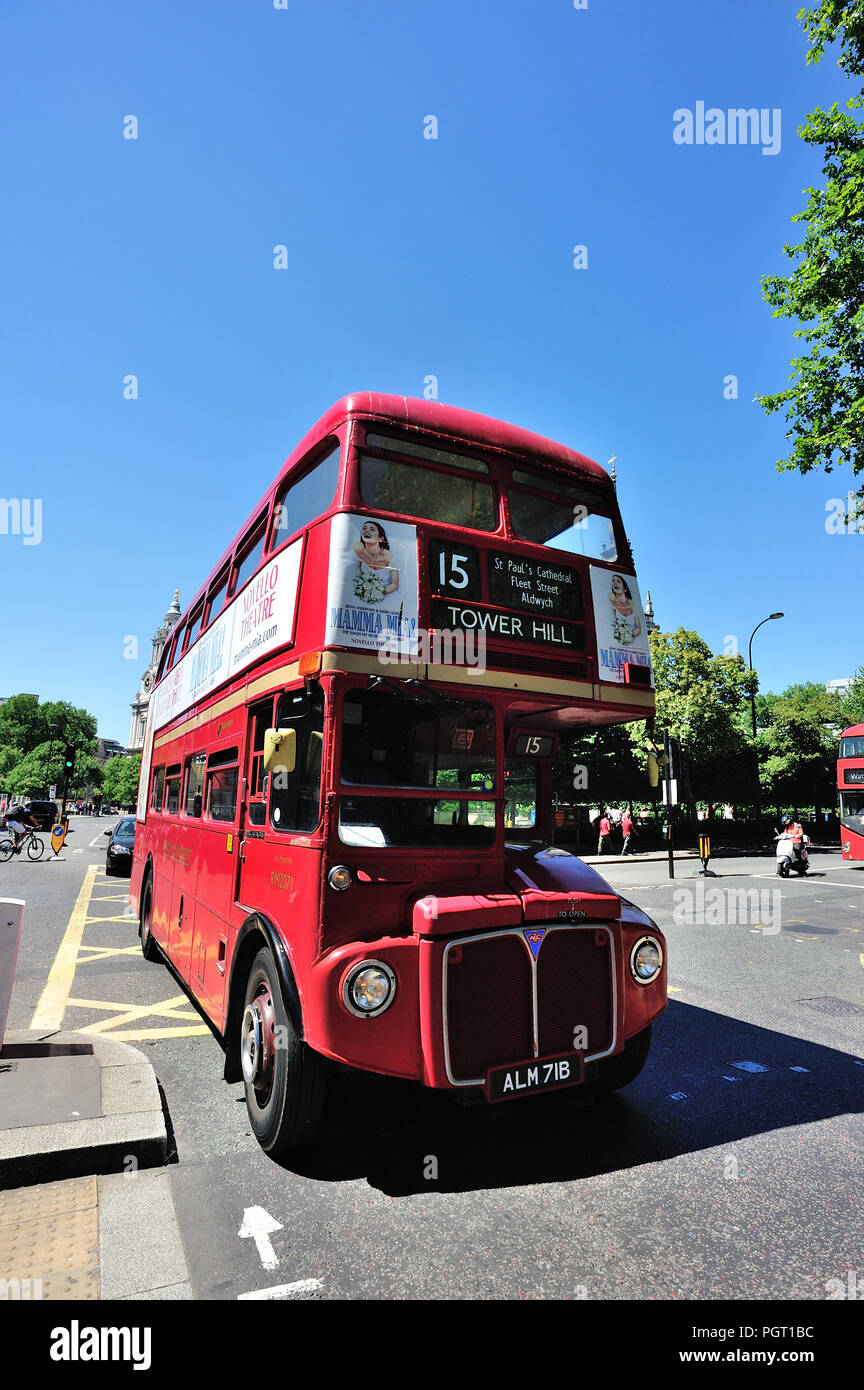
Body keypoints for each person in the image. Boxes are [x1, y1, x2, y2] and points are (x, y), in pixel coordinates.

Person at [353, 520, 399, 596]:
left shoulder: (389, 557)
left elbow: (395, 584)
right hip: (364, 593)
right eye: (364, 528)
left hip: (387, 593)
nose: (366, 531)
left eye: (372, 529)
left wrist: (376, 593)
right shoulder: (358, 548)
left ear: (380, 538)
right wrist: (363, 589)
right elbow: (358, 569)